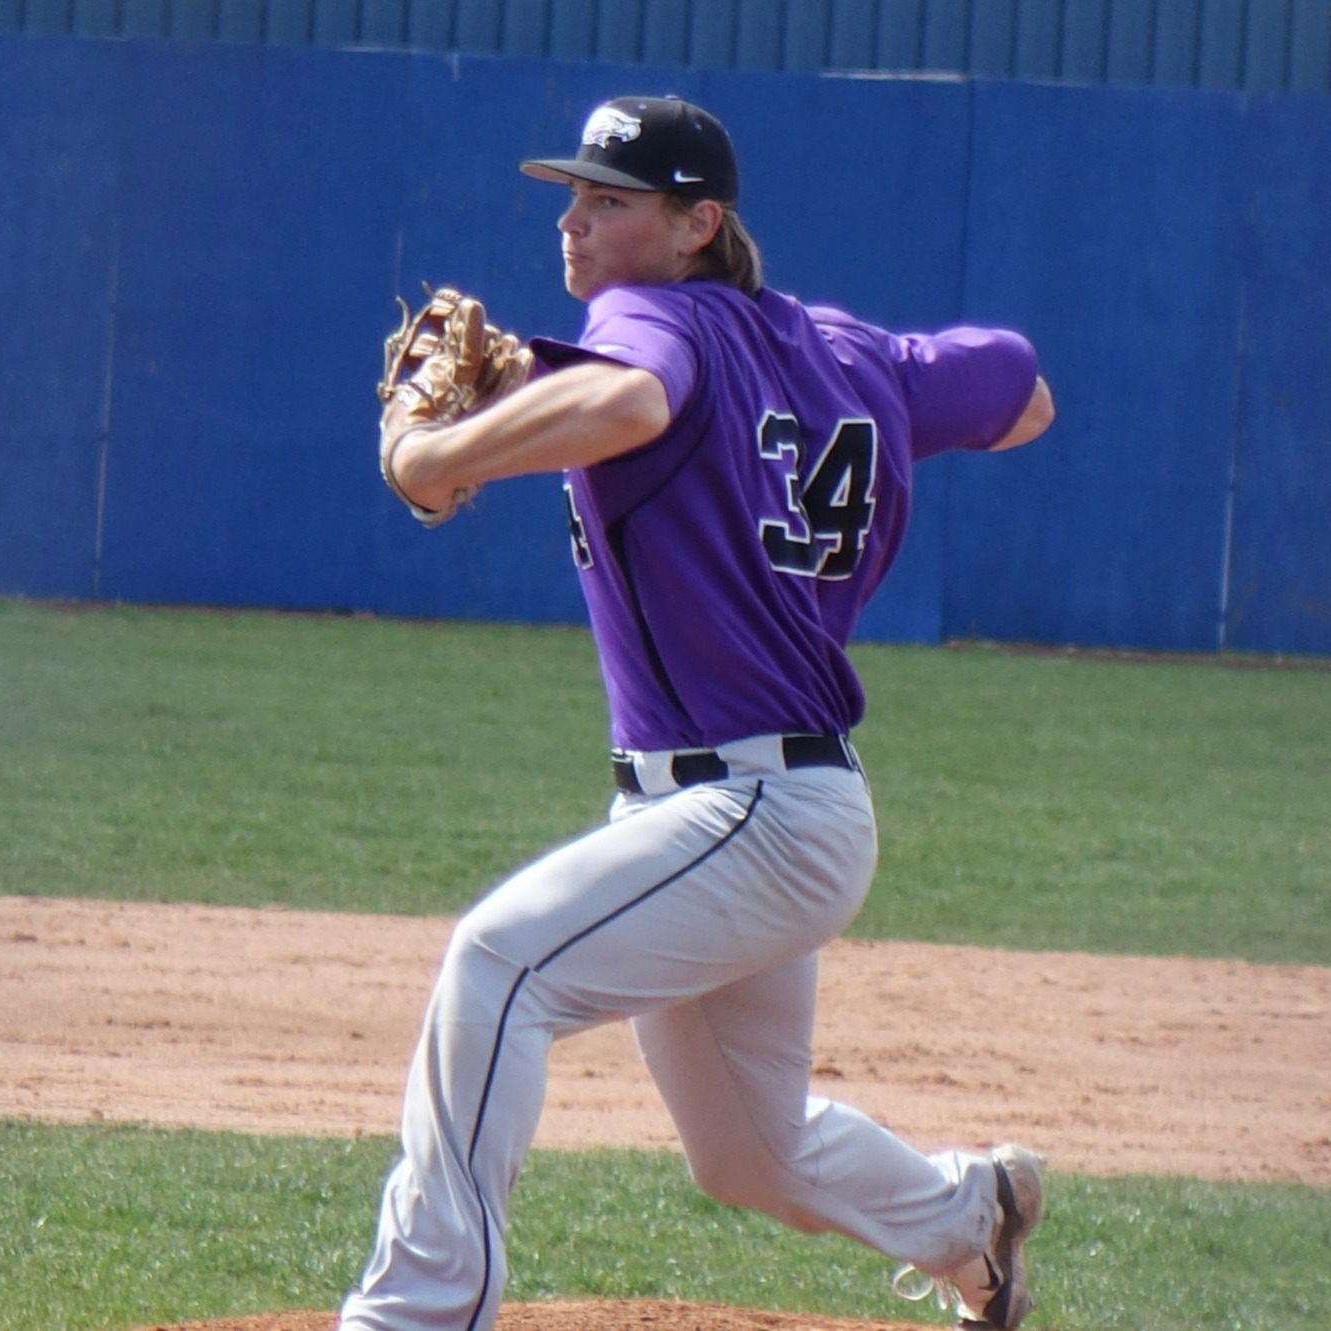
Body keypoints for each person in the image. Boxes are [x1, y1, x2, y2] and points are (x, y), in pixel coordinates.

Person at [347, 95, 1058, 1331]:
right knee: (748, 1155)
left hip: (751, 807)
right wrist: (852, 391)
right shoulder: (839, 348)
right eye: (570, 195)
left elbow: (632, 405)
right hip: (765, 808)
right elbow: (1021, 392)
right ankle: (969, 1215)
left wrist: (431, 457)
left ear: (696, 224)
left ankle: (415, 1311)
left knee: (498, 966)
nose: (571, 223)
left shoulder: (645, 320)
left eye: (608, 202)